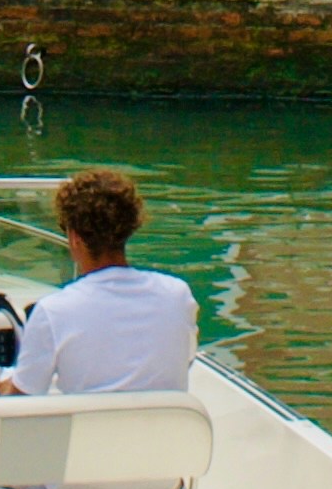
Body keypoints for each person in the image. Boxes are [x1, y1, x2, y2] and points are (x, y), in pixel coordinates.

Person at [12, 166, 198, 394]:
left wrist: (3, 387)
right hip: (169, 428)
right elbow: (185, 359)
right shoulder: (177, 295)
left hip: (89, 430)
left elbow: (22, 398)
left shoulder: (53, 311)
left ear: (74, 237)